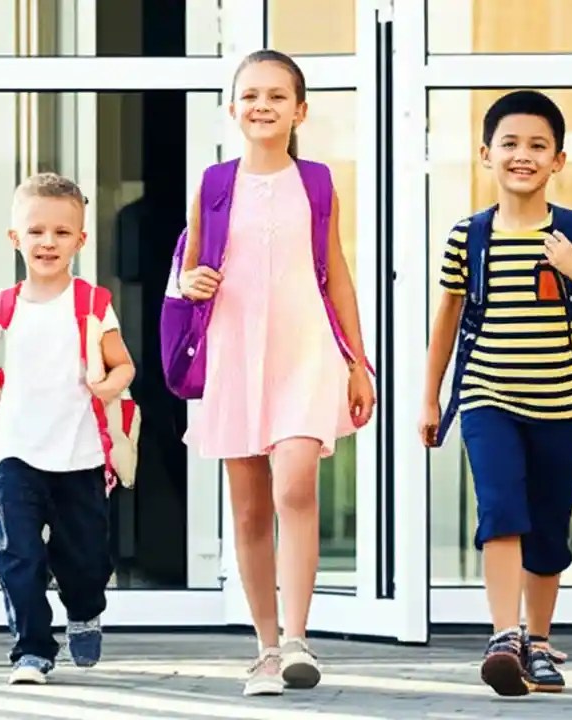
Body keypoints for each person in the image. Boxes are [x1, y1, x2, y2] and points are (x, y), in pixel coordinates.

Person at [173, 49, 376, 697]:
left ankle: (297, 638)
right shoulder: (213, 182)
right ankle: (264, 646)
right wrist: (192, 281)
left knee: (295, 486)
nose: (262, 105)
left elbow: (335, 273)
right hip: (235, 353)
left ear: (300, 110)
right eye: (250, 95)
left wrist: (358, 360)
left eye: (277, 96)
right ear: (232, 108)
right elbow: (190, 266)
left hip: (305, 351)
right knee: (251, 507)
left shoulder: (317, 182)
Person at [419, 90, 572, 697]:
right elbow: (447, 322)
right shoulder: (470, 236)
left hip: (562, 407)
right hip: (488, 398)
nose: (523, 156)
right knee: (501, 511)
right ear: (485, 154)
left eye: (538, 146)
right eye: (509, 144)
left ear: (558, 160)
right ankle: (502, 637)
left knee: (547, 528)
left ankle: (538, 643)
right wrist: (429, 398)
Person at [0, 172, 136, 685]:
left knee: (83, 559)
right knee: (17, 556)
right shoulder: (0, 307)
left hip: (79, 453)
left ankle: (85, 611)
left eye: (62, 233)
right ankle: (31, 650)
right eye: (36, 231)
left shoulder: (92, 303)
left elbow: (123, 365)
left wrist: (111, 387)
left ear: (80, 241)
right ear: (14, 238)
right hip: (15, 450)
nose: (48, 242)